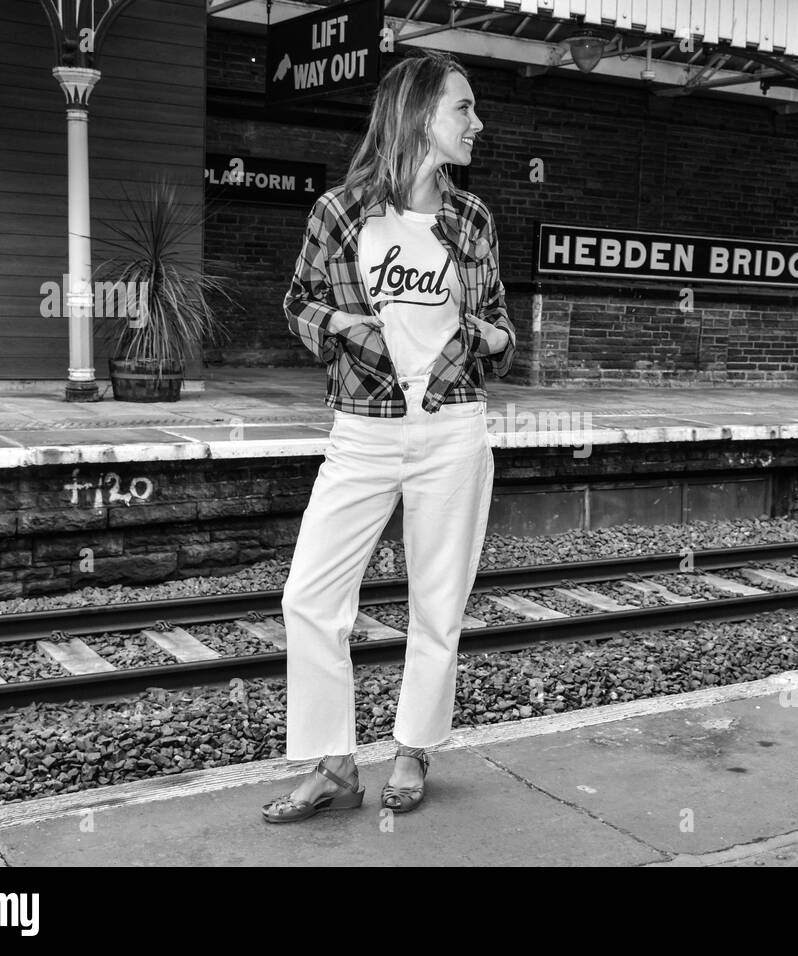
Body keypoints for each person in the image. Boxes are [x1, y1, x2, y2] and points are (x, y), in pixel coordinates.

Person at [262, 51, 516, 823]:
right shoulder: (340, 212)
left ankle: (412, 749)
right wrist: (339, 322)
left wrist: (489, 337)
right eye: (463, 109)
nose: (477, 123)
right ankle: (332, 762)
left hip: (452, 427)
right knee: (309, 597)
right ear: (416, 116)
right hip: (363, 432)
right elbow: (297, 302)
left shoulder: (471, 219)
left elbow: (503, 327)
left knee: (438, 602)